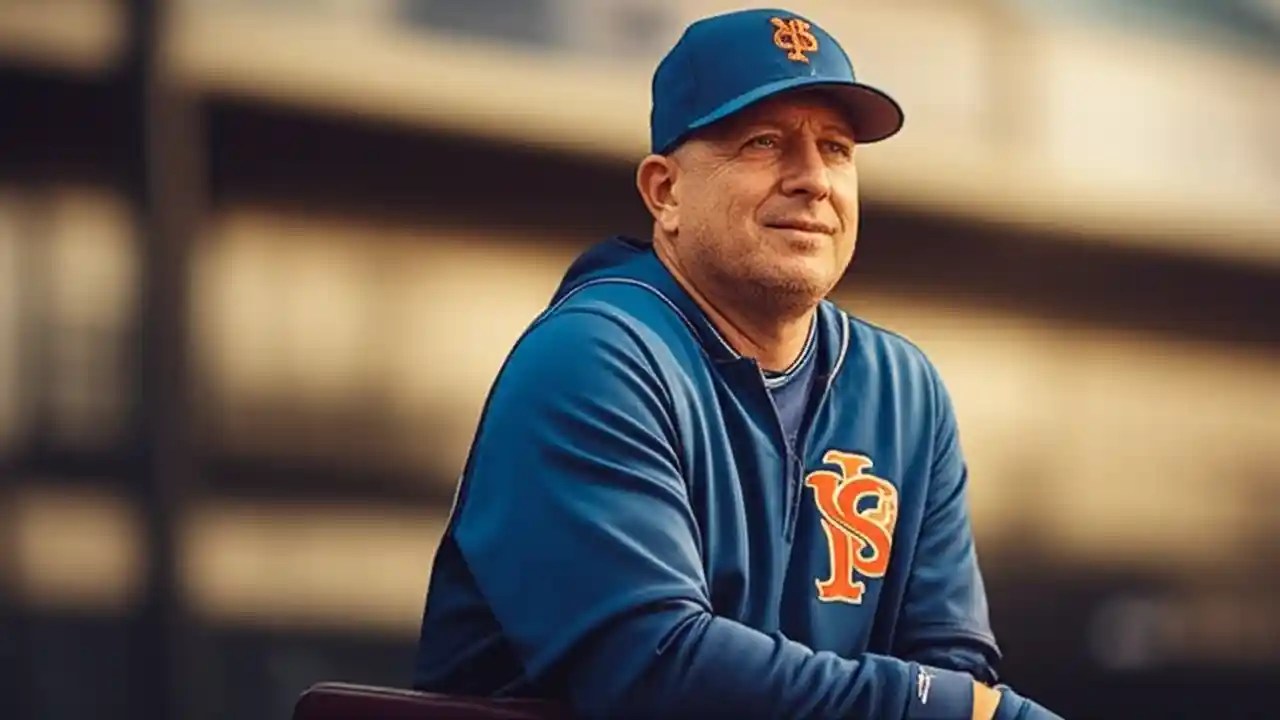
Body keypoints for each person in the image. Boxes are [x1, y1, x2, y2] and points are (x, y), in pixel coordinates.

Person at [414, 8, 1062, 720]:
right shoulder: (594, 358)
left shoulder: (904, 392)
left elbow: (951, 670)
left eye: (837, 148)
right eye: (763, 142)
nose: (813, 179)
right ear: (666, 192)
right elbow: (658, 672)